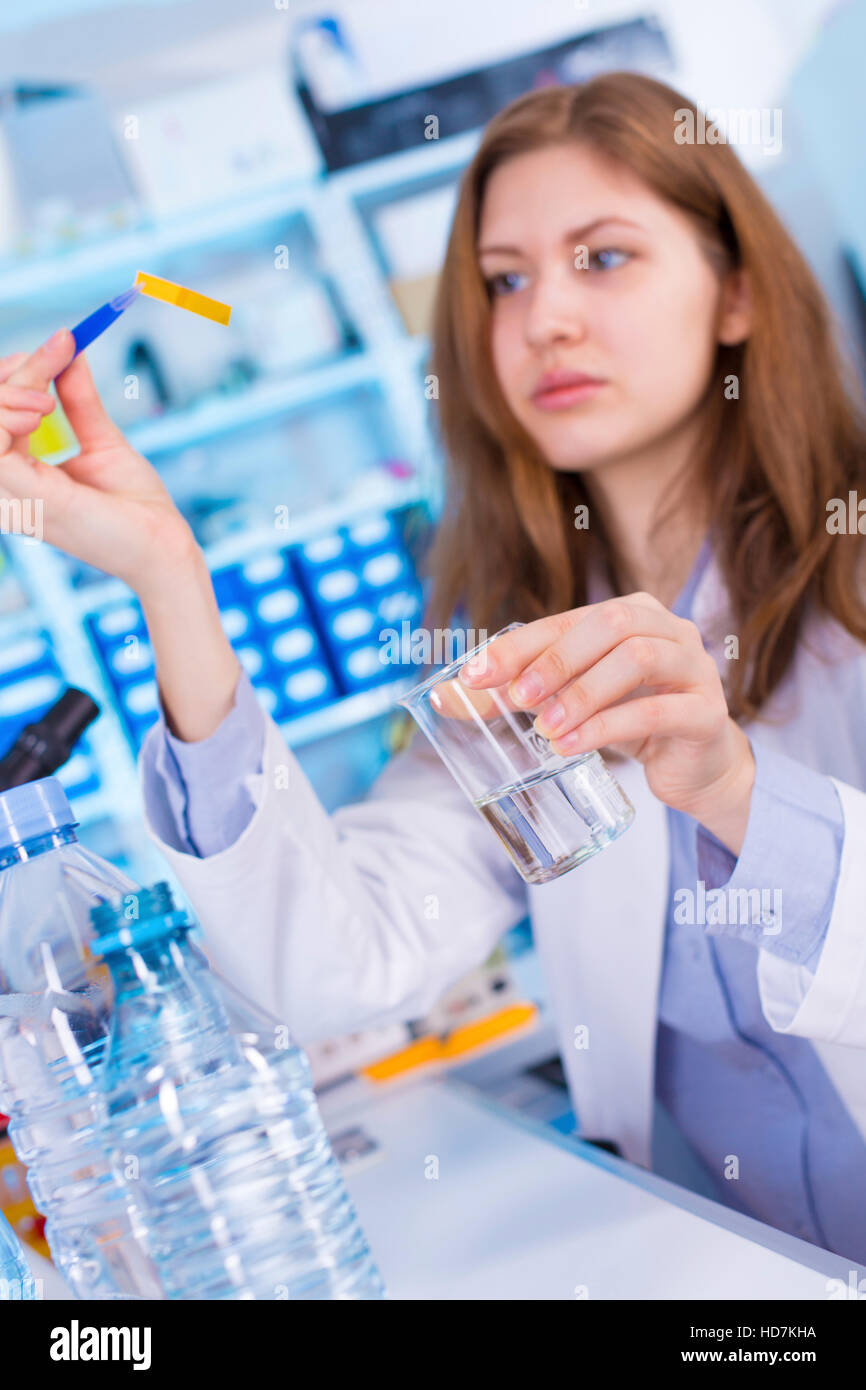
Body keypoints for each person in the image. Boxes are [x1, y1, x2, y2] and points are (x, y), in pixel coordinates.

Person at [1, 72, 864, 1266]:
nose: (542, 320)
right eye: (504, 280)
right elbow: (330, 962)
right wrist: (166, 577)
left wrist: (732, 788)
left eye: (602, 257)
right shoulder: (521, 660)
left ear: (735, 294)